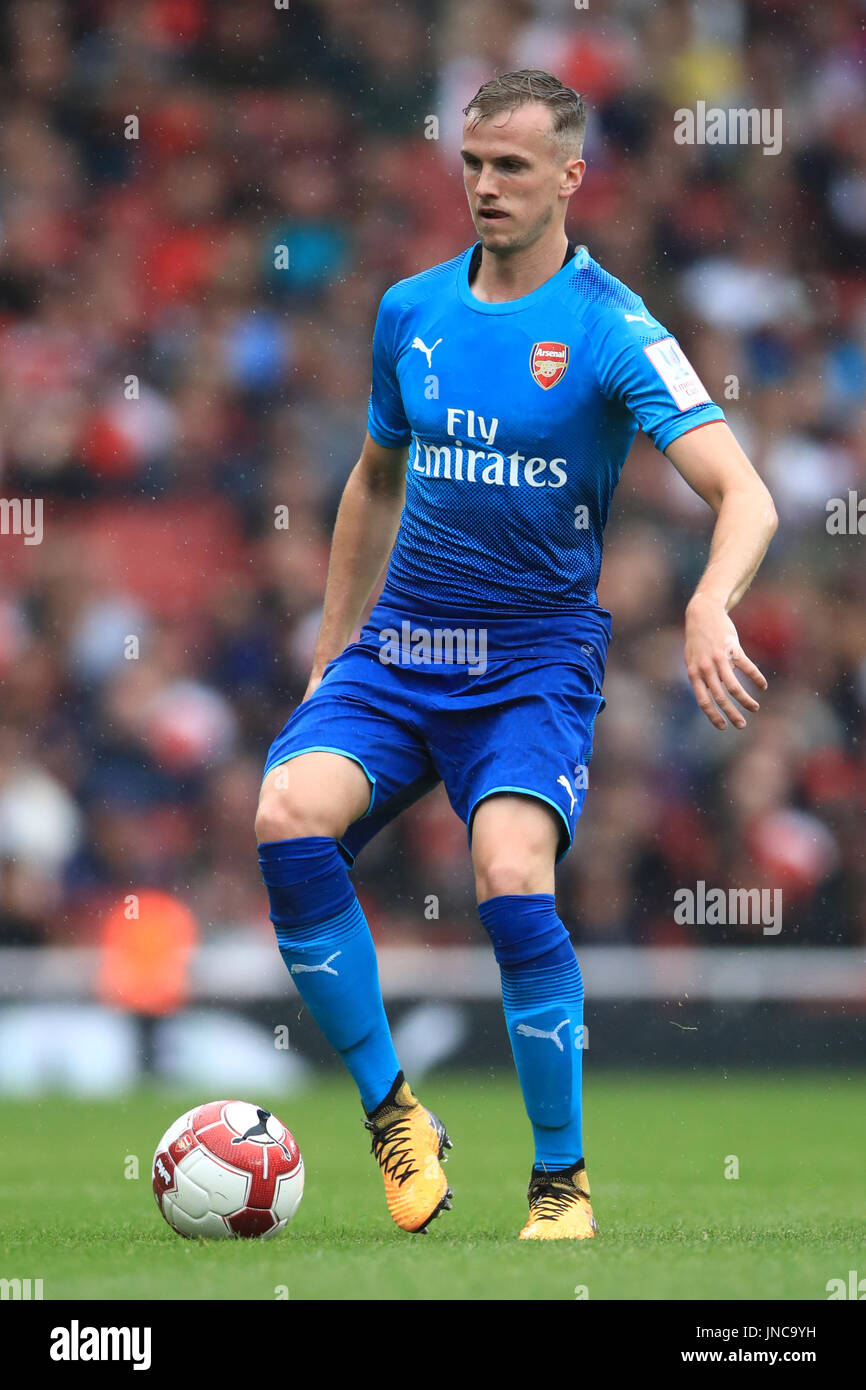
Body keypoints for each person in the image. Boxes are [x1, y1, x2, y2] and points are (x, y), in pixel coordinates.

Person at [255, 70, 778, 1239]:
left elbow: (742, 494)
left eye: (512, 168)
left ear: (569, 178)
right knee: (287, 811)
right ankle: (394, 1112)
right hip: (399, 647)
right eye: (472, 165)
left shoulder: (609, 326)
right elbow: (374, 477)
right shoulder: (410, 310)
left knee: (506, 872)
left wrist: (707, 602)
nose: (485, 187)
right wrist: (332, 646)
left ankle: (558, 1181)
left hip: (533, 660)